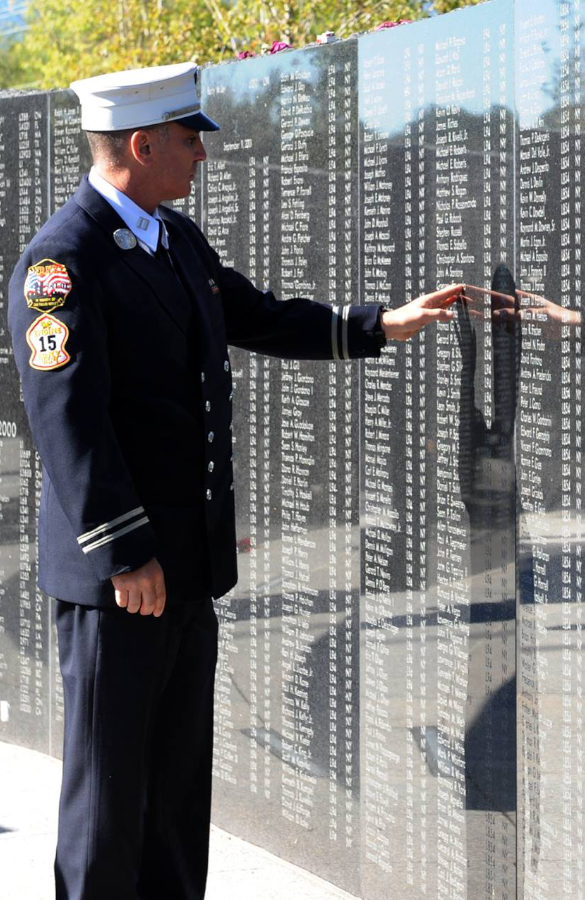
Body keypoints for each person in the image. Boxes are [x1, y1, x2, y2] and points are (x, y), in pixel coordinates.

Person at [8, 61, 463, 900]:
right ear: (142, 145)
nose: (201, 157)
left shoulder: (173, 237)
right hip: (122, 580)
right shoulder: (62, 264)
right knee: (108, 799)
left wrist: (377, 325)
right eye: (190, 140)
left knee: (177, 791)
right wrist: (124, 553)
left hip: (186, 565)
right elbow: (68, 421)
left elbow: (253, 314)